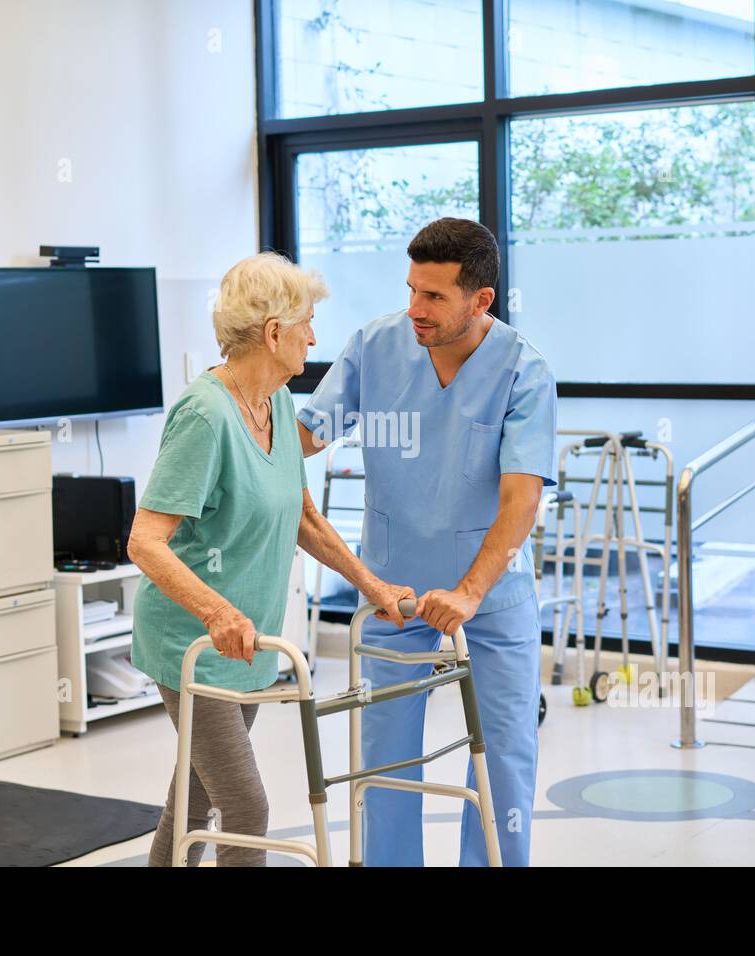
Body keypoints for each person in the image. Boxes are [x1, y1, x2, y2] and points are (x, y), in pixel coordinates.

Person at [128, 252, 413, 867]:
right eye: (307, 321)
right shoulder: (205, 415)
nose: (315, 334)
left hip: (246, 644)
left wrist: (374, 585)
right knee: (246, 808)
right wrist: (216, 612)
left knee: (194, 801)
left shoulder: (278, 403)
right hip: (195, 646)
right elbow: (144, 541)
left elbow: (304, 516)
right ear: (272, 331)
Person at [297, 217, 558, 866]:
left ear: (481, 300)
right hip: (394, 593)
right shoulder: (373, 348)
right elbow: (304, 437)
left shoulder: (524, 371)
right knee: (385, 765)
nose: (415, 308)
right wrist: (236, 412)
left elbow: (521, 497)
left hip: (490, 599)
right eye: (412, 289)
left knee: (504, 757)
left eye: (435, 296)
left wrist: (471, 592)